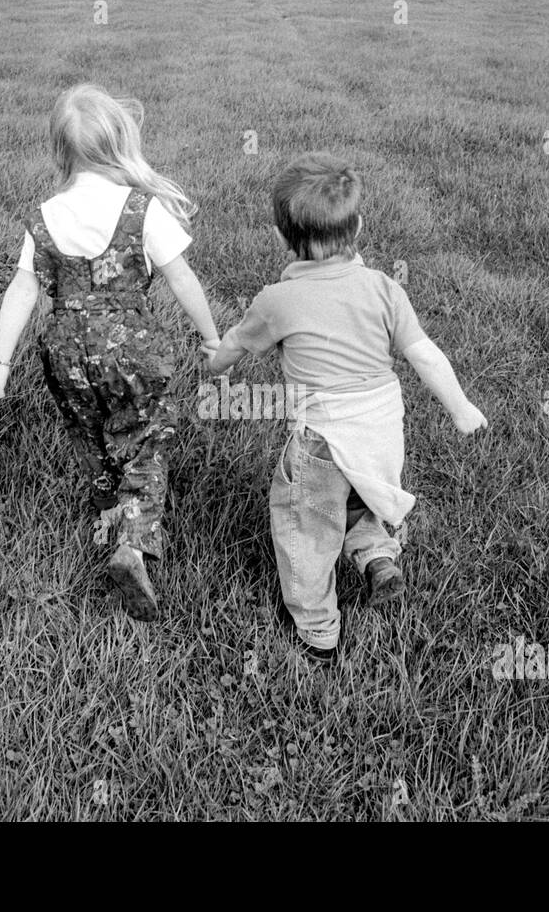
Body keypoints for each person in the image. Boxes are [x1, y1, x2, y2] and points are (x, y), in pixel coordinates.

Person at [206, 152, 488, 662]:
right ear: (359, 225)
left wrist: (216, 365)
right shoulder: (384, 288)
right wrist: (460, 407)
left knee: (306, 528)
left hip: (323, 438)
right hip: (382, 426)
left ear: (278, 237)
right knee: (363, 492)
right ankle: (378, 557)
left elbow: (236, 344)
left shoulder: (277, 299)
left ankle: (318, 631)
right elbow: (424, 353)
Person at [0, 84, 220, 620]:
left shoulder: (46, 215)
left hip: (64, 352)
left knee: (90, 432)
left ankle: (106, 507)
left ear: (62, 153)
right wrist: (212, 336)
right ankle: (133, 543)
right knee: (146, 438)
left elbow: (23, 288)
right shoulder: (140, 208)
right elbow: (181, 277)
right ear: (119, 147)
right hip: (130, 350)